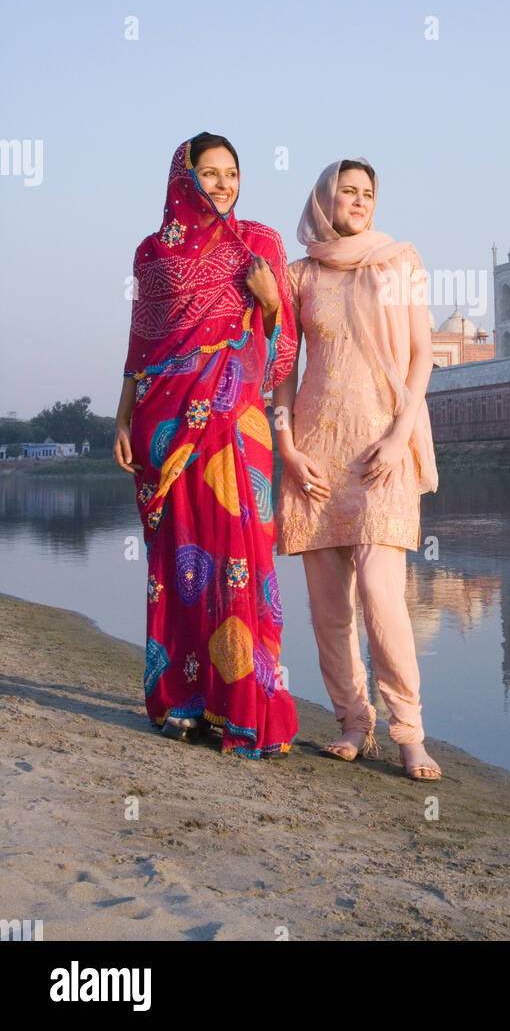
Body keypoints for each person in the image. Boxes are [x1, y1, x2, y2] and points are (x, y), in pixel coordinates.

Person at [113, 133, 299, 757]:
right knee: (179, 564)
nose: (222, 184)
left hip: (236, 421)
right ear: (184, 178)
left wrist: (270, 301)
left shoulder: (260, 243)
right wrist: (120, 417)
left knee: (243, 553)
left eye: (231, 174)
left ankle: (243, 700)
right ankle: (183, 700)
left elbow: (278, 354)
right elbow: (141, 345)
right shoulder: (152, 253)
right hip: (165, 426)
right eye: (209, 173)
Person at [273, 158, 441, 780]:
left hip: (381, 448)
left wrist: (401, 435)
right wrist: (287, 450)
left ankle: (409, 732)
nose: (361, 201)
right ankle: (352, 722)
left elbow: (423, 353)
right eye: (349, 192)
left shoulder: (398, 262)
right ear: (324, 200)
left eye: (369, 193)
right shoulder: (298, 277)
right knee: (328, 609)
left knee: (381, 595)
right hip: (315, 452)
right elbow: (281, 372)